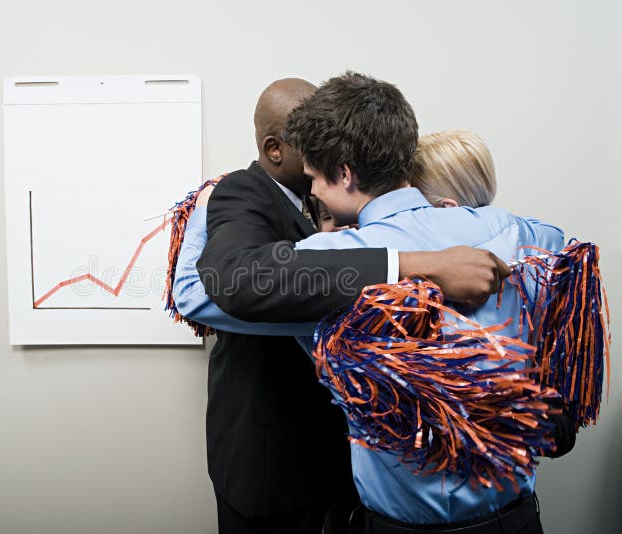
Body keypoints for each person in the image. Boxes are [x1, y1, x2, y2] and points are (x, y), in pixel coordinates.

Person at [183, 72, 563, 533]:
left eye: (315, 179)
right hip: (515, 520)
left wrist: (204, 206)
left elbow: (204, 295)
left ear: (344, 173)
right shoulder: (526, 235)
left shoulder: (325, 263)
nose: (313, 192)